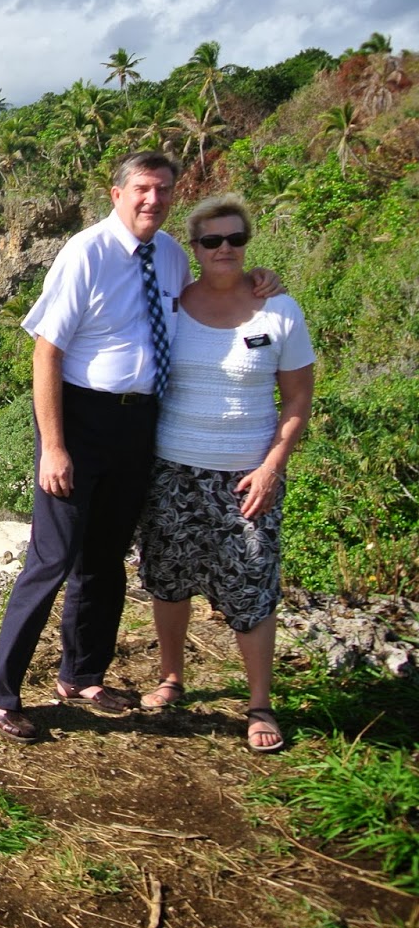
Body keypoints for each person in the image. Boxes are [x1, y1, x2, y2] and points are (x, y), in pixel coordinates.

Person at [0, 152, 279, 743]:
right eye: (142, 188)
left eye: (163, 189)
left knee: (106, 557)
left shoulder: (169, 255)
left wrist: (257, 281)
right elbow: (47, 352)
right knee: (52, 559)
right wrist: (54, 447)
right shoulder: (85, 253)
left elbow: (208, 300)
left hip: (140, 422)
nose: (153, 199)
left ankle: (82, 676)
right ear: (116, 194)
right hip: (80, 418)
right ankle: (1, 695)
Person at [135, 195, 314, 753]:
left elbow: (298, 400)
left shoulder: (279, 310)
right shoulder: (171, 305)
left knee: (252, 584)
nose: (224, 249)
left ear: (247, 243)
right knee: (169, 579)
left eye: (235, 239)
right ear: (195, 248)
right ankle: (171, 677)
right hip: (172, 467)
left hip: (246, 476)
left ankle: (259, 704)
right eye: (212, 240)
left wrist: (272, 468)